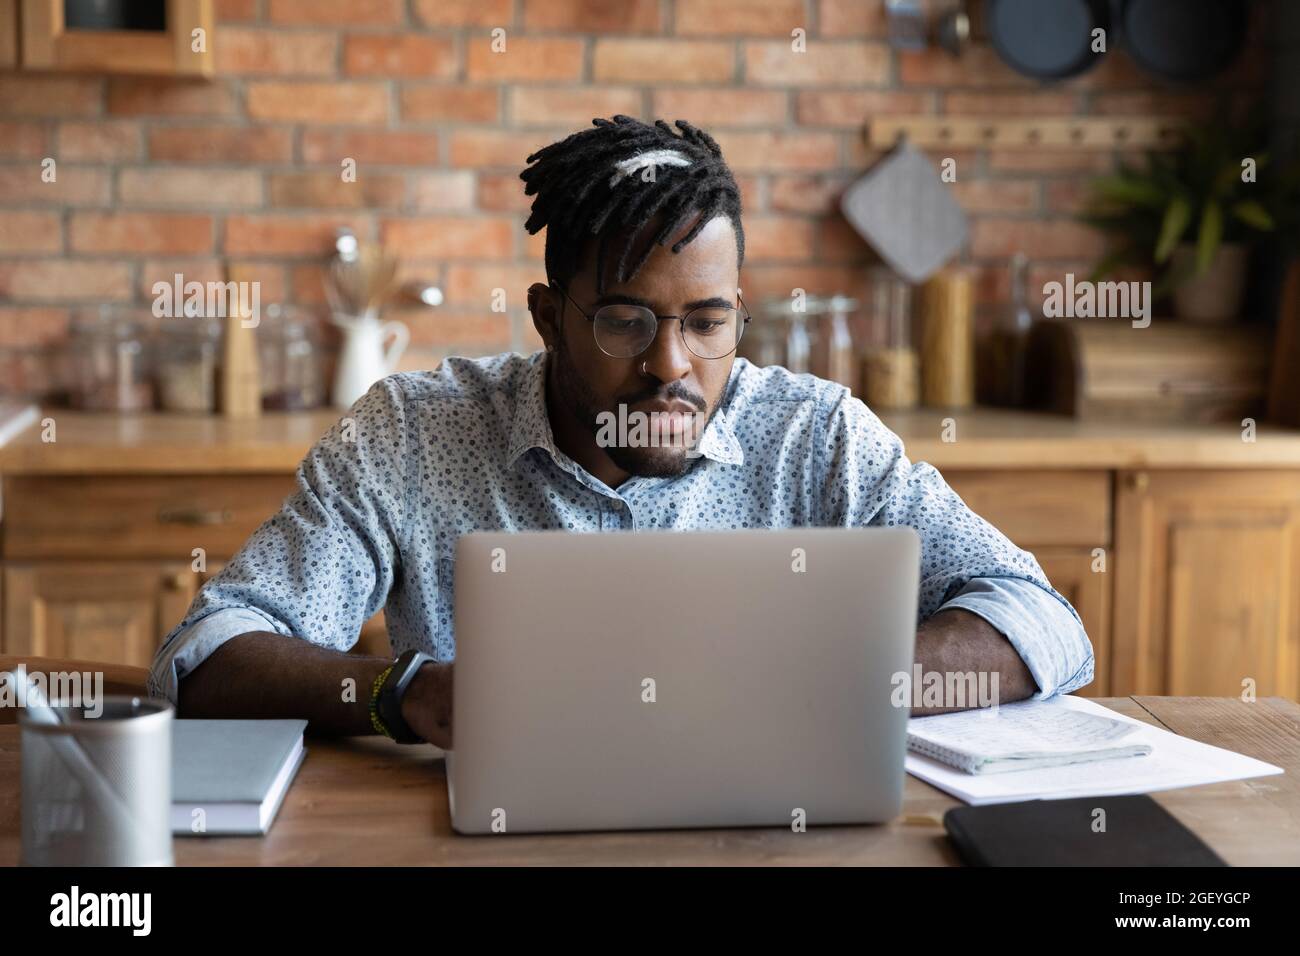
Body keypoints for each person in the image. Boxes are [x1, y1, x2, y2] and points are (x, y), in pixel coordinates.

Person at [149, 116, 1093, 749]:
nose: (671, 366)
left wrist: (851, 680)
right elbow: (206, 656)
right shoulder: (411, 433)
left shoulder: (816, 437)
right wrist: (409, 689)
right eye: (625, 321)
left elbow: (1042, 622)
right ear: (548, 316)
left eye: (707, 323)